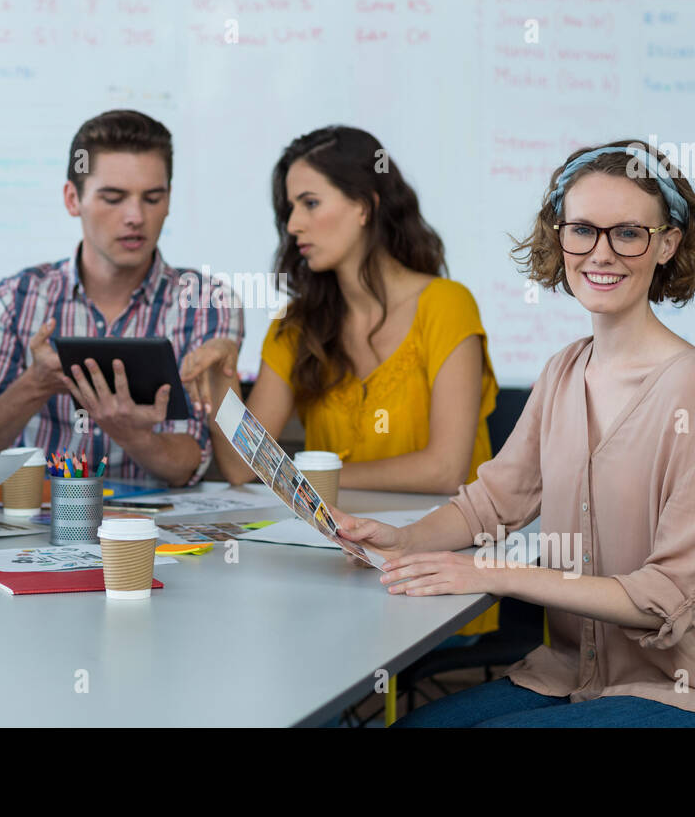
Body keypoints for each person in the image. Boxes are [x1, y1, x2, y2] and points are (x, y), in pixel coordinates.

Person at [340, 141, 695, 727]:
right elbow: (492, 504)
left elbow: (666, 596)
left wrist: (492, 573)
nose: (601, 253)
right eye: (582, 230)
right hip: (575, 676)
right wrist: (408, 540)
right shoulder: (563, 371)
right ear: (560, 237)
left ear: (667, 243)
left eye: (628, 232)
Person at [184, 125, 501, 641]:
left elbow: (445, 470)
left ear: (366, 205)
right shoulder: (296, 325)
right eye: (288, 209)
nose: (293, 225)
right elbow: (244, 472)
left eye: (310, 203)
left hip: (435, 565)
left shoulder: (446, 304)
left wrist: (318, 487)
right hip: (335, 564)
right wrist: (222, 382)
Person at [0, 109, 244, 487]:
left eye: (152, 198)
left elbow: (189, 462)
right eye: (113, 198)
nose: (135, 216)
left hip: (152, 531)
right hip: (38, 522)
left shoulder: (207, 303)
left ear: (168, 201)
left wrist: (133, 434)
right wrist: (36, 383)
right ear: (72, 199)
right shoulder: (14, 299)